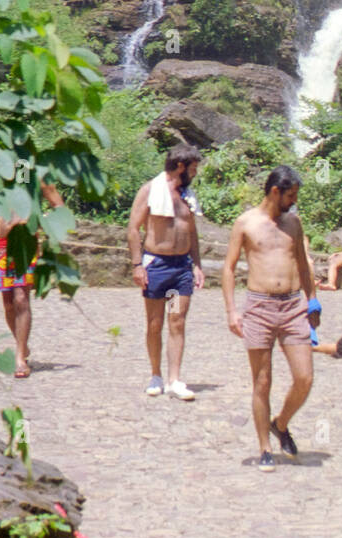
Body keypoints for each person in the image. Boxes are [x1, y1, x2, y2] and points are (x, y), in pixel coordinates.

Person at [222, 166, 321, 471]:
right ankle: (265, 446)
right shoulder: (246, 223)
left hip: (293, 306)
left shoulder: (294, 222)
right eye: (290, 195)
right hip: (260, 306)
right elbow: (228, 268)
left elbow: (302, 264)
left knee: (304, 378)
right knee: (262, 381)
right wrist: (232, 311)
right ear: (275, 191)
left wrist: (313, 299)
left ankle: (282, 423)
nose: (294, 201)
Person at [127, 145, 206, 400]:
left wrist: (197, 264)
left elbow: (192, 232)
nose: (195, 173)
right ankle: (156, 374)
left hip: (180, 268)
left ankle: (175, 379)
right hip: (157, 265)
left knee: (177, 320)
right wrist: (137, 265)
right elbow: (133, 228)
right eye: (193, 168)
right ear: (181, 166)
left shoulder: (187, 196)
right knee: (154, 324)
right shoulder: (151, 190)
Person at [0, 180, 66, 377]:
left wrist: (39, 222)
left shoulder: (31, 173)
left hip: (24, 244)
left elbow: (59, 208)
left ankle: (19, 358)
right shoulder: (0, 168)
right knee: (8, 303)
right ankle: (22, 346)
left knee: (21, 299)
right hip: (1, 243)